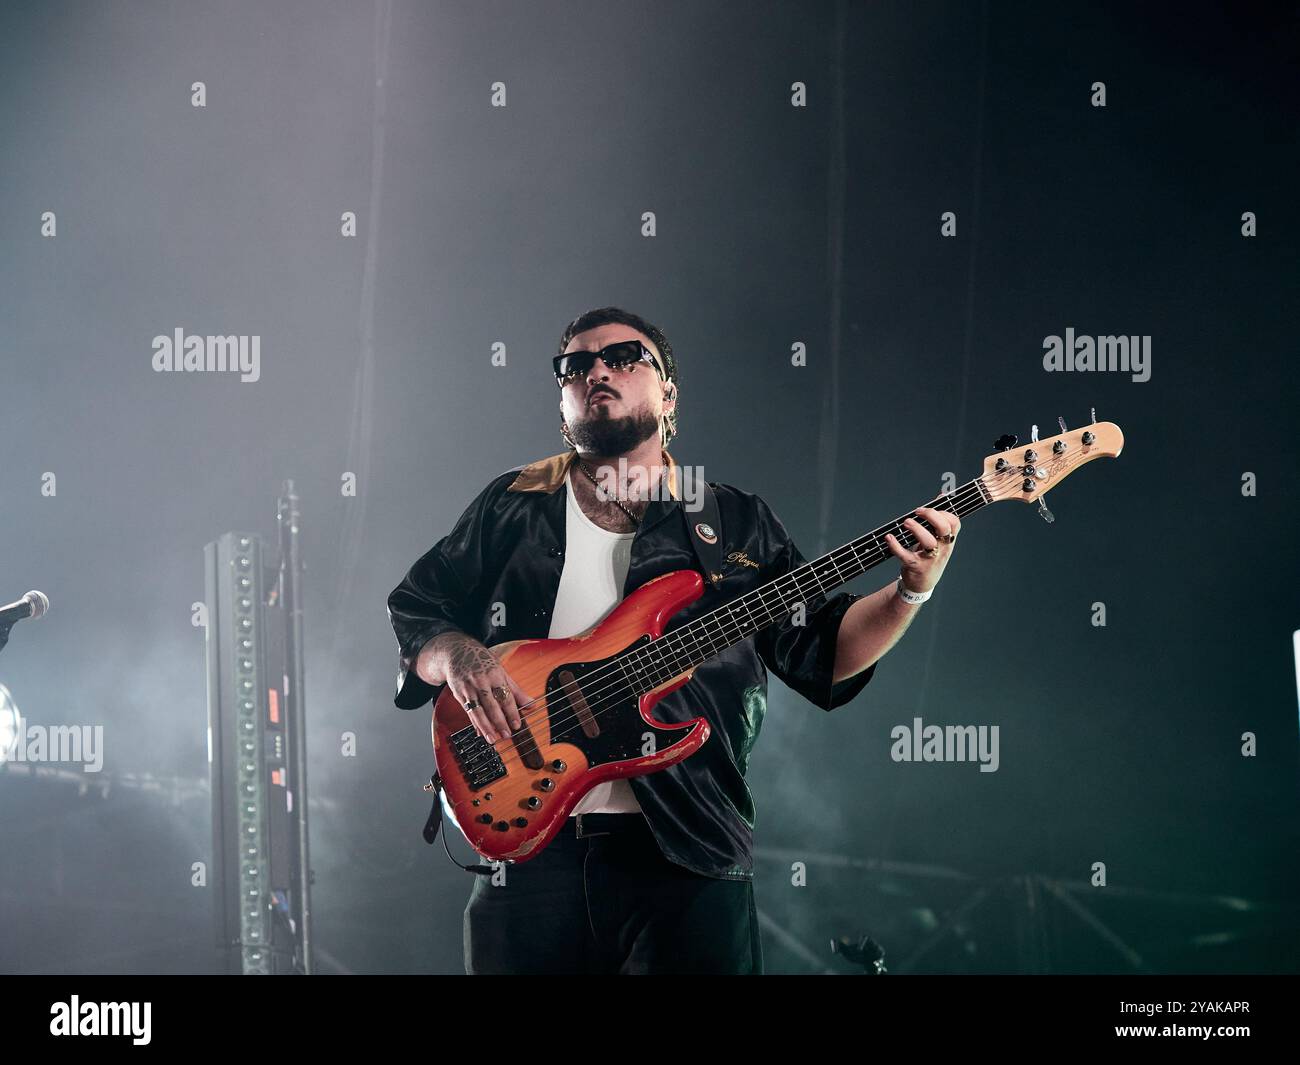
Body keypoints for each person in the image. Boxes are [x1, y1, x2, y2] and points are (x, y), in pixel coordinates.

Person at [386, 306, 959, 974]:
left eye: (624, 356)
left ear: (668, 394)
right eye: (577, 364)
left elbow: (823, 651)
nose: (598, 370)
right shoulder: (511, 504)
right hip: (526, 853)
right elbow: (417, 606)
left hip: (686, 848)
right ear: (564, 397)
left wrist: (910, 588)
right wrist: (454, 651)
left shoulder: (733, 521)